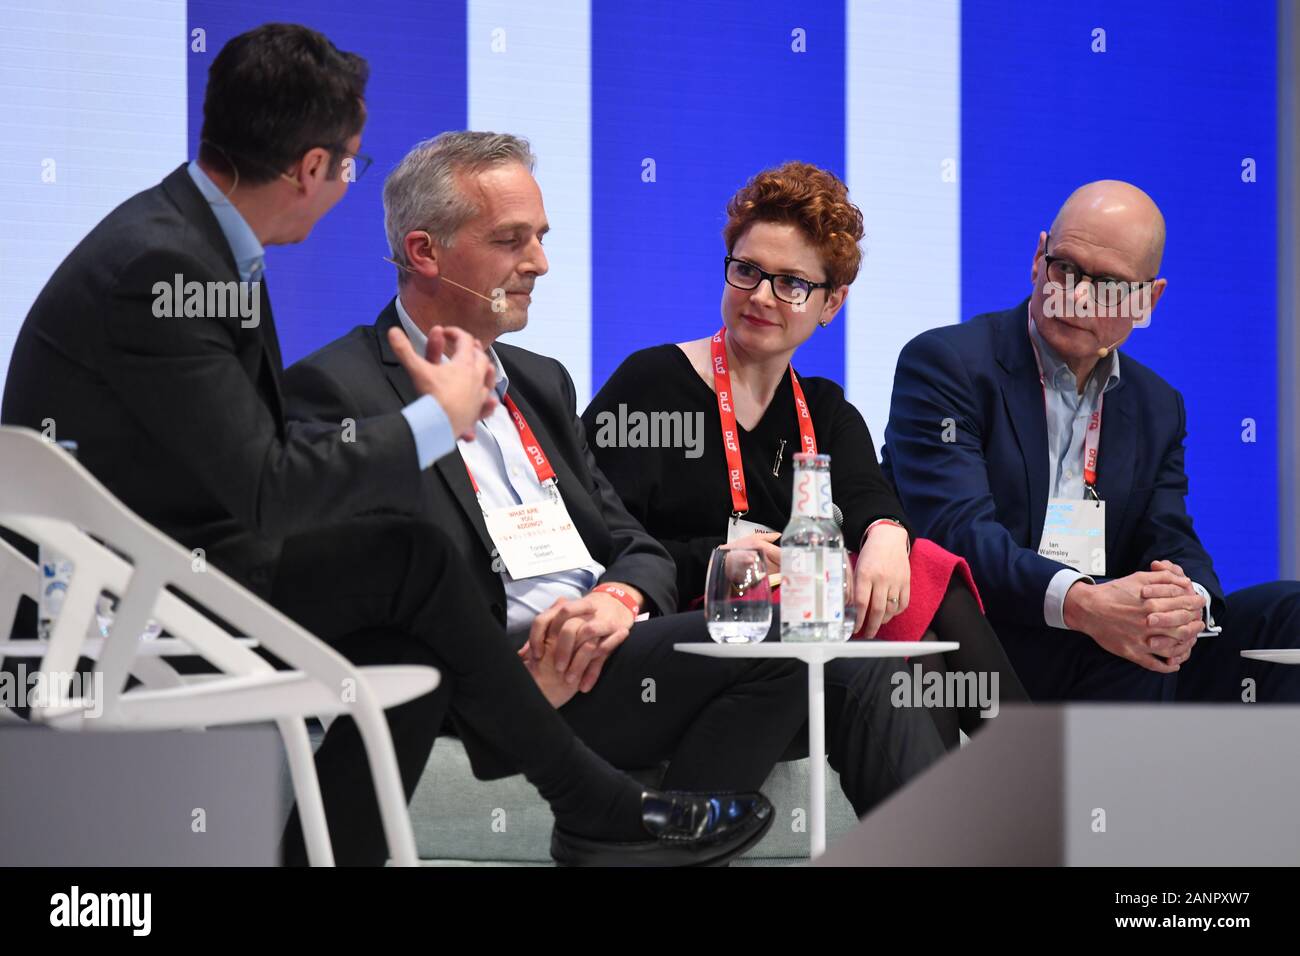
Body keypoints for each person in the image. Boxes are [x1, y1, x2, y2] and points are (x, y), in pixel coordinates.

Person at [0, 23, 774, 867]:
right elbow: (267, 487)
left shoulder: (188, 240)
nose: (344, 185)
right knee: (412, 560)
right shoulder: (168, 266)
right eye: (349, 164)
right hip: (119, 610)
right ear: (311, 169)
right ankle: (594, 804)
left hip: (167, 572)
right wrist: (434, 421)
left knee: (405, 639)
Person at [284, 133, 943, 815]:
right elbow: (364, 590)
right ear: (425, 252)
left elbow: (633, 545)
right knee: (777, 634)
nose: (540, 263)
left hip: (613, 654)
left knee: (871, 674)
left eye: (540, 238)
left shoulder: (540, 384)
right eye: (513, 240)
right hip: (504, 683)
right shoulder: (340, 390)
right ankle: (649, 840)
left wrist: (618, 599)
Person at [583, 161, 1028, 751]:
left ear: (831, 304)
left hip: (801, 643)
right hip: (696, 641)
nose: (761, 297)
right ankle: (1039, 785)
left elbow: (869, 494)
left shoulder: (823, 408)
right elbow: (594, 543)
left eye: (791, 283)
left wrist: (888, 534)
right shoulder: (650, 385)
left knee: (919, 606)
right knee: (910, 627)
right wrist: (719, 559)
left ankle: (1003, 796)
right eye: (747, 271)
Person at [881, 179, 1300, 703]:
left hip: (1107, 641)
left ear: (1149, 299)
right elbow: (958, 535)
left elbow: (1169, 536)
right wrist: (1084, 604)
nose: (1076, 296)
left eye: (1109, 285)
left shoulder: (1156, 404)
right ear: (1039, 258)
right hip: (991, 642)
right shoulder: (949, 365)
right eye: (1066, 269)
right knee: (1138, 644)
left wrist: (1187, 600)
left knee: (1285, 614)